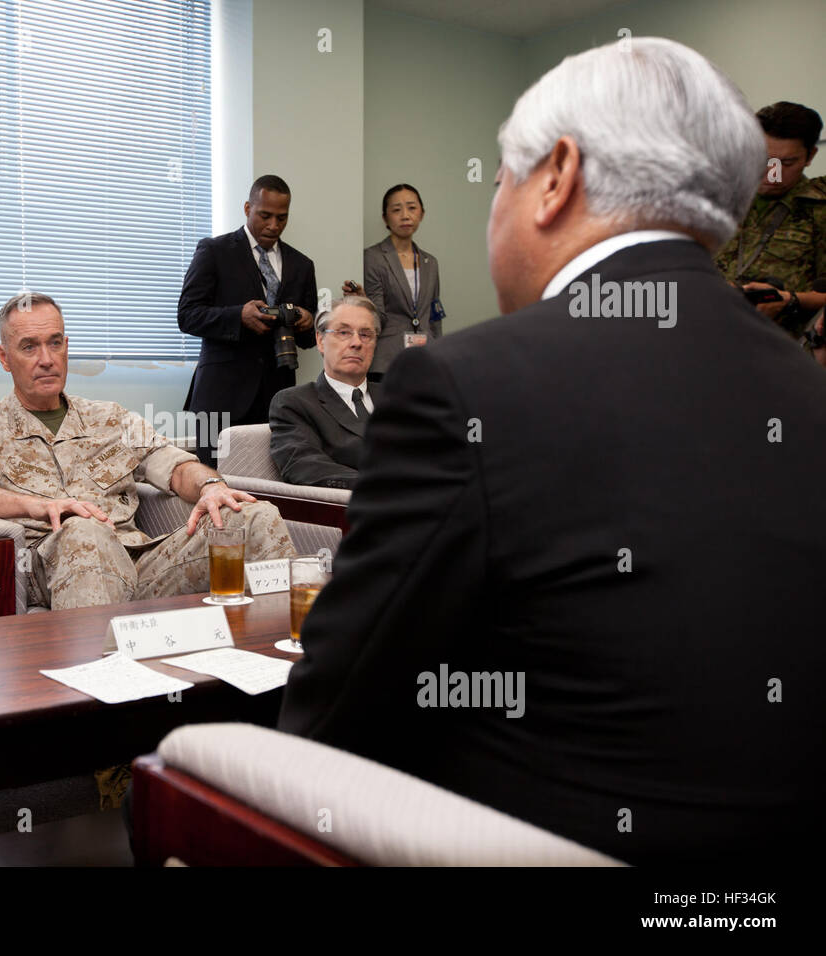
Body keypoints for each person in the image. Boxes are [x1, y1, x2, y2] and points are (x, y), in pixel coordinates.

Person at [277, 38, 826, 865]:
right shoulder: (804, 386)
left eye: (498, 182)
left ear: (557, 178)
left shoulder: (463, 387)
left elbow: (336, 710)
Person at [0, 293, 296, 610]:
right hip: (51, 565)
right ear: (4, 357)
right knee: (83, 530)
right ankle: (101, 679)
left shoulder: (110, 418)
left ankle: (289, 671)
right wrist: (38, 507)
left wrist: (211, 486)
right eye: (29, 346)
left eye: (55, 343)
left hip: (137, 563)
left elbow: (175, 466)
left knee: (253, 515)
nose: (46, 358)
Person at [179, 175, 318, 465]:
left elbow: (308, 339)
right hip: (220, 398)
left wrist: (308, 321)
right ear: (247, 208)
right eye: (265, 215)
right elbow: (187, 315)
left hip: (277, 399)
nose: (273, 225)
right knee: (215, 488)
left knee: (269, 492)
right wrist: (237, 315)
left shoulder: (302, 265)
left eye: (282, 218)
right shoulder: (214, 252)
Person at [714, 101, 826, 337]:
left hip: (782, 351)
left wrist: (790, 300)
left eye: (786, 163)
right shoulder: (721, 200)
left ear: (810, 156)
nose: (772, 174)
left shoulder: (819, 209)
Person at [268, 296, 379, 488]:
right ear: (320, 340)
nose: (356, 343)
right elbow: (304, 465)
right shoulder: (294, 403)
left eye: (365, 334)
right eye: (344, 332)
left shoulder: (399, 397)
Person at [354, 184, 445, 379]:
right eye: (396, 210)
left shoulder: (431, 262)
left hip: (426, 358)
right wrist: (364, 302)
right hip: (386, 361)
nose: (405, 215)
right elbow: (377, 319)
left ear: (422, 213)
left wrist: (439, 352)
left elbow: (434, 315)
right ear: (385, 218)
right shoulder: (373, 257)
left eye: (412, 208)